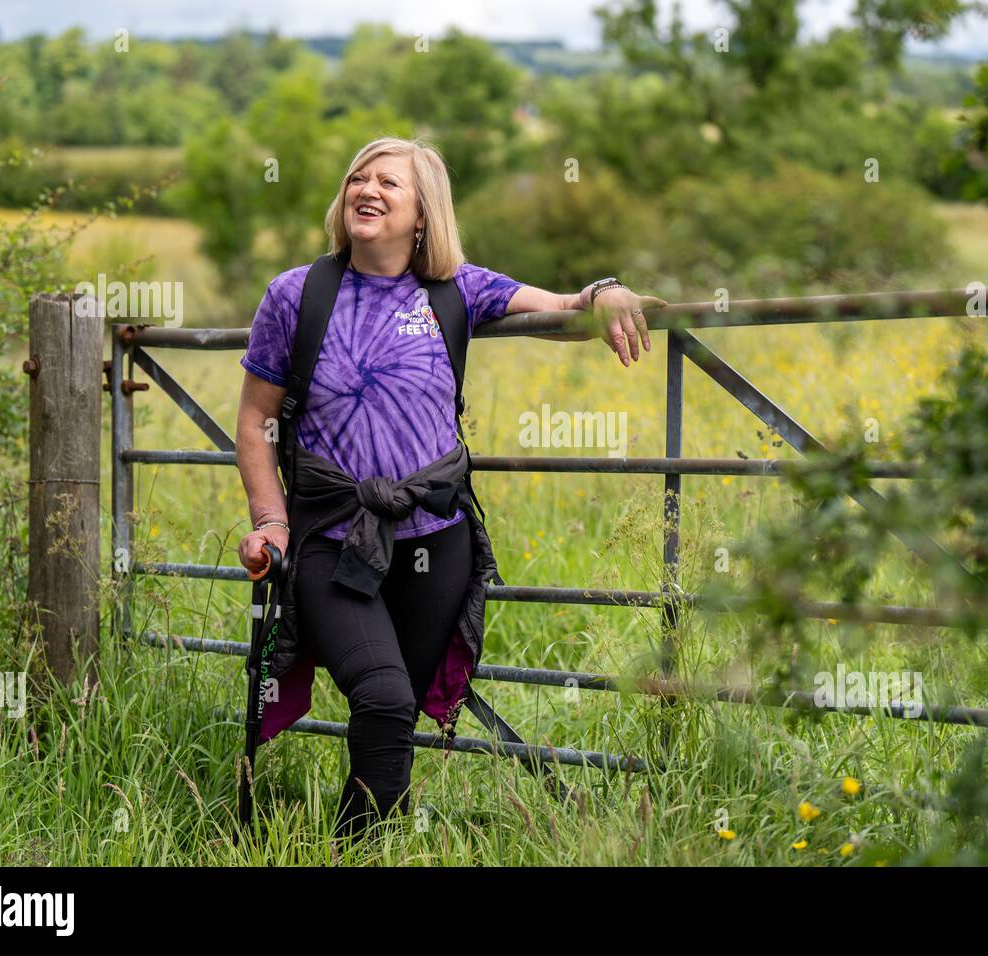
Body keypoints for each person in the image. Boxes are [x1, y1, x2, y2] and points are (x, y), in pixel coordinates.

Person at [233, 136, 665, 840]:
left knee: (391, 714)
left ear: (423, 214)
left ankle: (356, 846)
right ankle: (364, 851)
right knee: (380, 692)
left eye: (388, 184)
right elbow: (255, 421)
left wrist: (607, 291)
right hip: (333, 536)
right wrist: (271, 522)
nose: (366, 191)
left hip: (437, 537)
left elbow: (562, 306)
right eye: (358, 179)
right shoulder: (296, 295)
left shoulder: (457, 289)